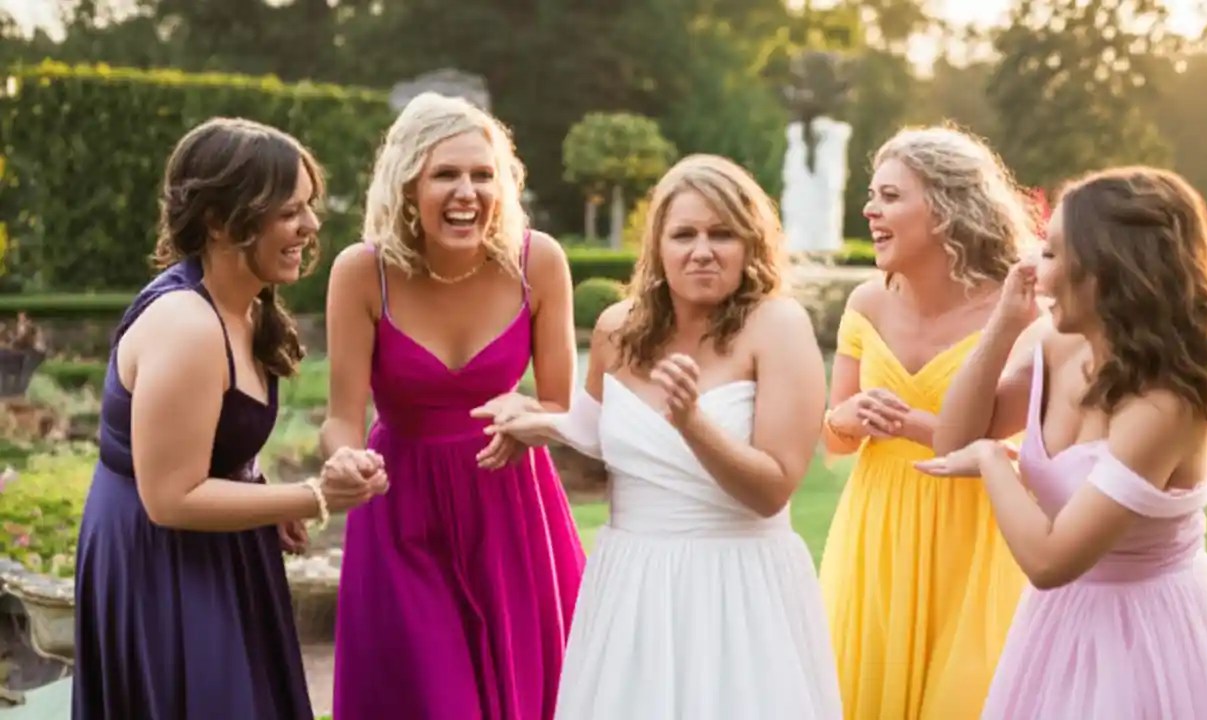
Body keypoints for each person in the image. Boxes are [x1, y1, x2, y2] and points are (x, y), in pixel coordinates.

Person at [479, 154, 842, 719]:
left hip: (739, 587)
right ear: (658, 246)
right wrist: (538, 423)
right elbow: (603, 451)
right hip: (633, 581)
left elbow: (773, 488)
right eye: (684, 234)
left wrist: (692, 422)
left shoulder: (779, 326)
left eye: (722, 234)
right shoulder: (617, 331)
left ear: (750, 245)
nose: (702, 250)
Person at [73, 117, 387, 720]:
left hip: (212, 550)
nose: (311, 226)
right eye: (289, 211)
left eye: (309, 207)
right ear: (220, 221)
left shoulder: (243, 306)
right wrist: (313, 496)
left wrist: (260, 498)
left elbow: (215, 444)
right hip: (161, 566)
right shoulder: (187, 326)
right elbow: (169, 497)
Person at [923, 166, 1207, 719]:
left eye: (1053, 253)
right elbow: (951, 438)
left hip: (1149, 637)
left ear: (1106, 269)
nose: (1033, 266)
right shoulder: (1055, 345)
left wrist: (993, 460)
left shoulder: (1164, 405)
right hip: (1058, 622)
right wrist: (1004, 325)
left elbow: (1051, 560)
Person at [323, 92, 585, 719]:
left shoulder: (538, 262)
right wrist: (346, 460)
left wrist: (530, 419)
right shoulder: (363, 273)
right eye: (446, 174)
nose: (467, 191)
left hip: (513, 510)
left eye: (482, 174)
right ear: (408, 184)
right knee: (436, 700)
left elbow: (561, 404)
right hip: (400, 510)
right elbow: (340, 417)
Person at [818, 126, 1037, 719]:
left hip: (975, 531)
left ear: (945, 209)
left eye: (890, 196)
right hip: (877, 525)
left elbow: (982, 437)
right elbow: (831, 441)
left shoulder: (1018, 313)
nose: (870, 209)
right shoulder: (865, 303)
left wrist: (911, 420)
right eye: (872, 195)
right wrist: (846, 416)